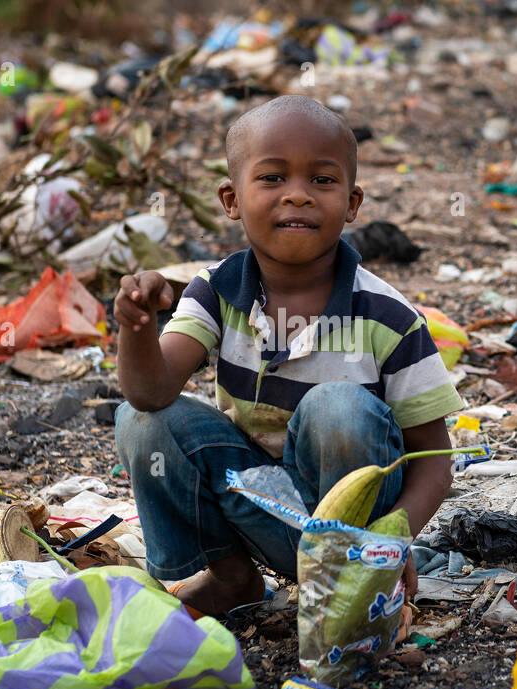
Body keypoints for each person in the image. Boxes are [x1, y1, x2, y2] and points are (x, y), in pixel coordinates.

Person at [113, 95, 463, 617]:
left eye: (322, 181)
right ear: (231, 199)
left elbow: (434, 460)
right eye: (272, 178)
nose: (297, 196)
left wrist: (392, 539)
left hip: (357, 537)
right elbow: (151, 392)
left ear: (352, 203)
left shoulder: (386, 316)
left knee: (337, 408)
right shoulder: (214, 291)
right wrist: (137, 328)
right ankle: (233, 579)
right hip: (256, 507)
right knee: (141, 423)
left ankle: (350, 585)